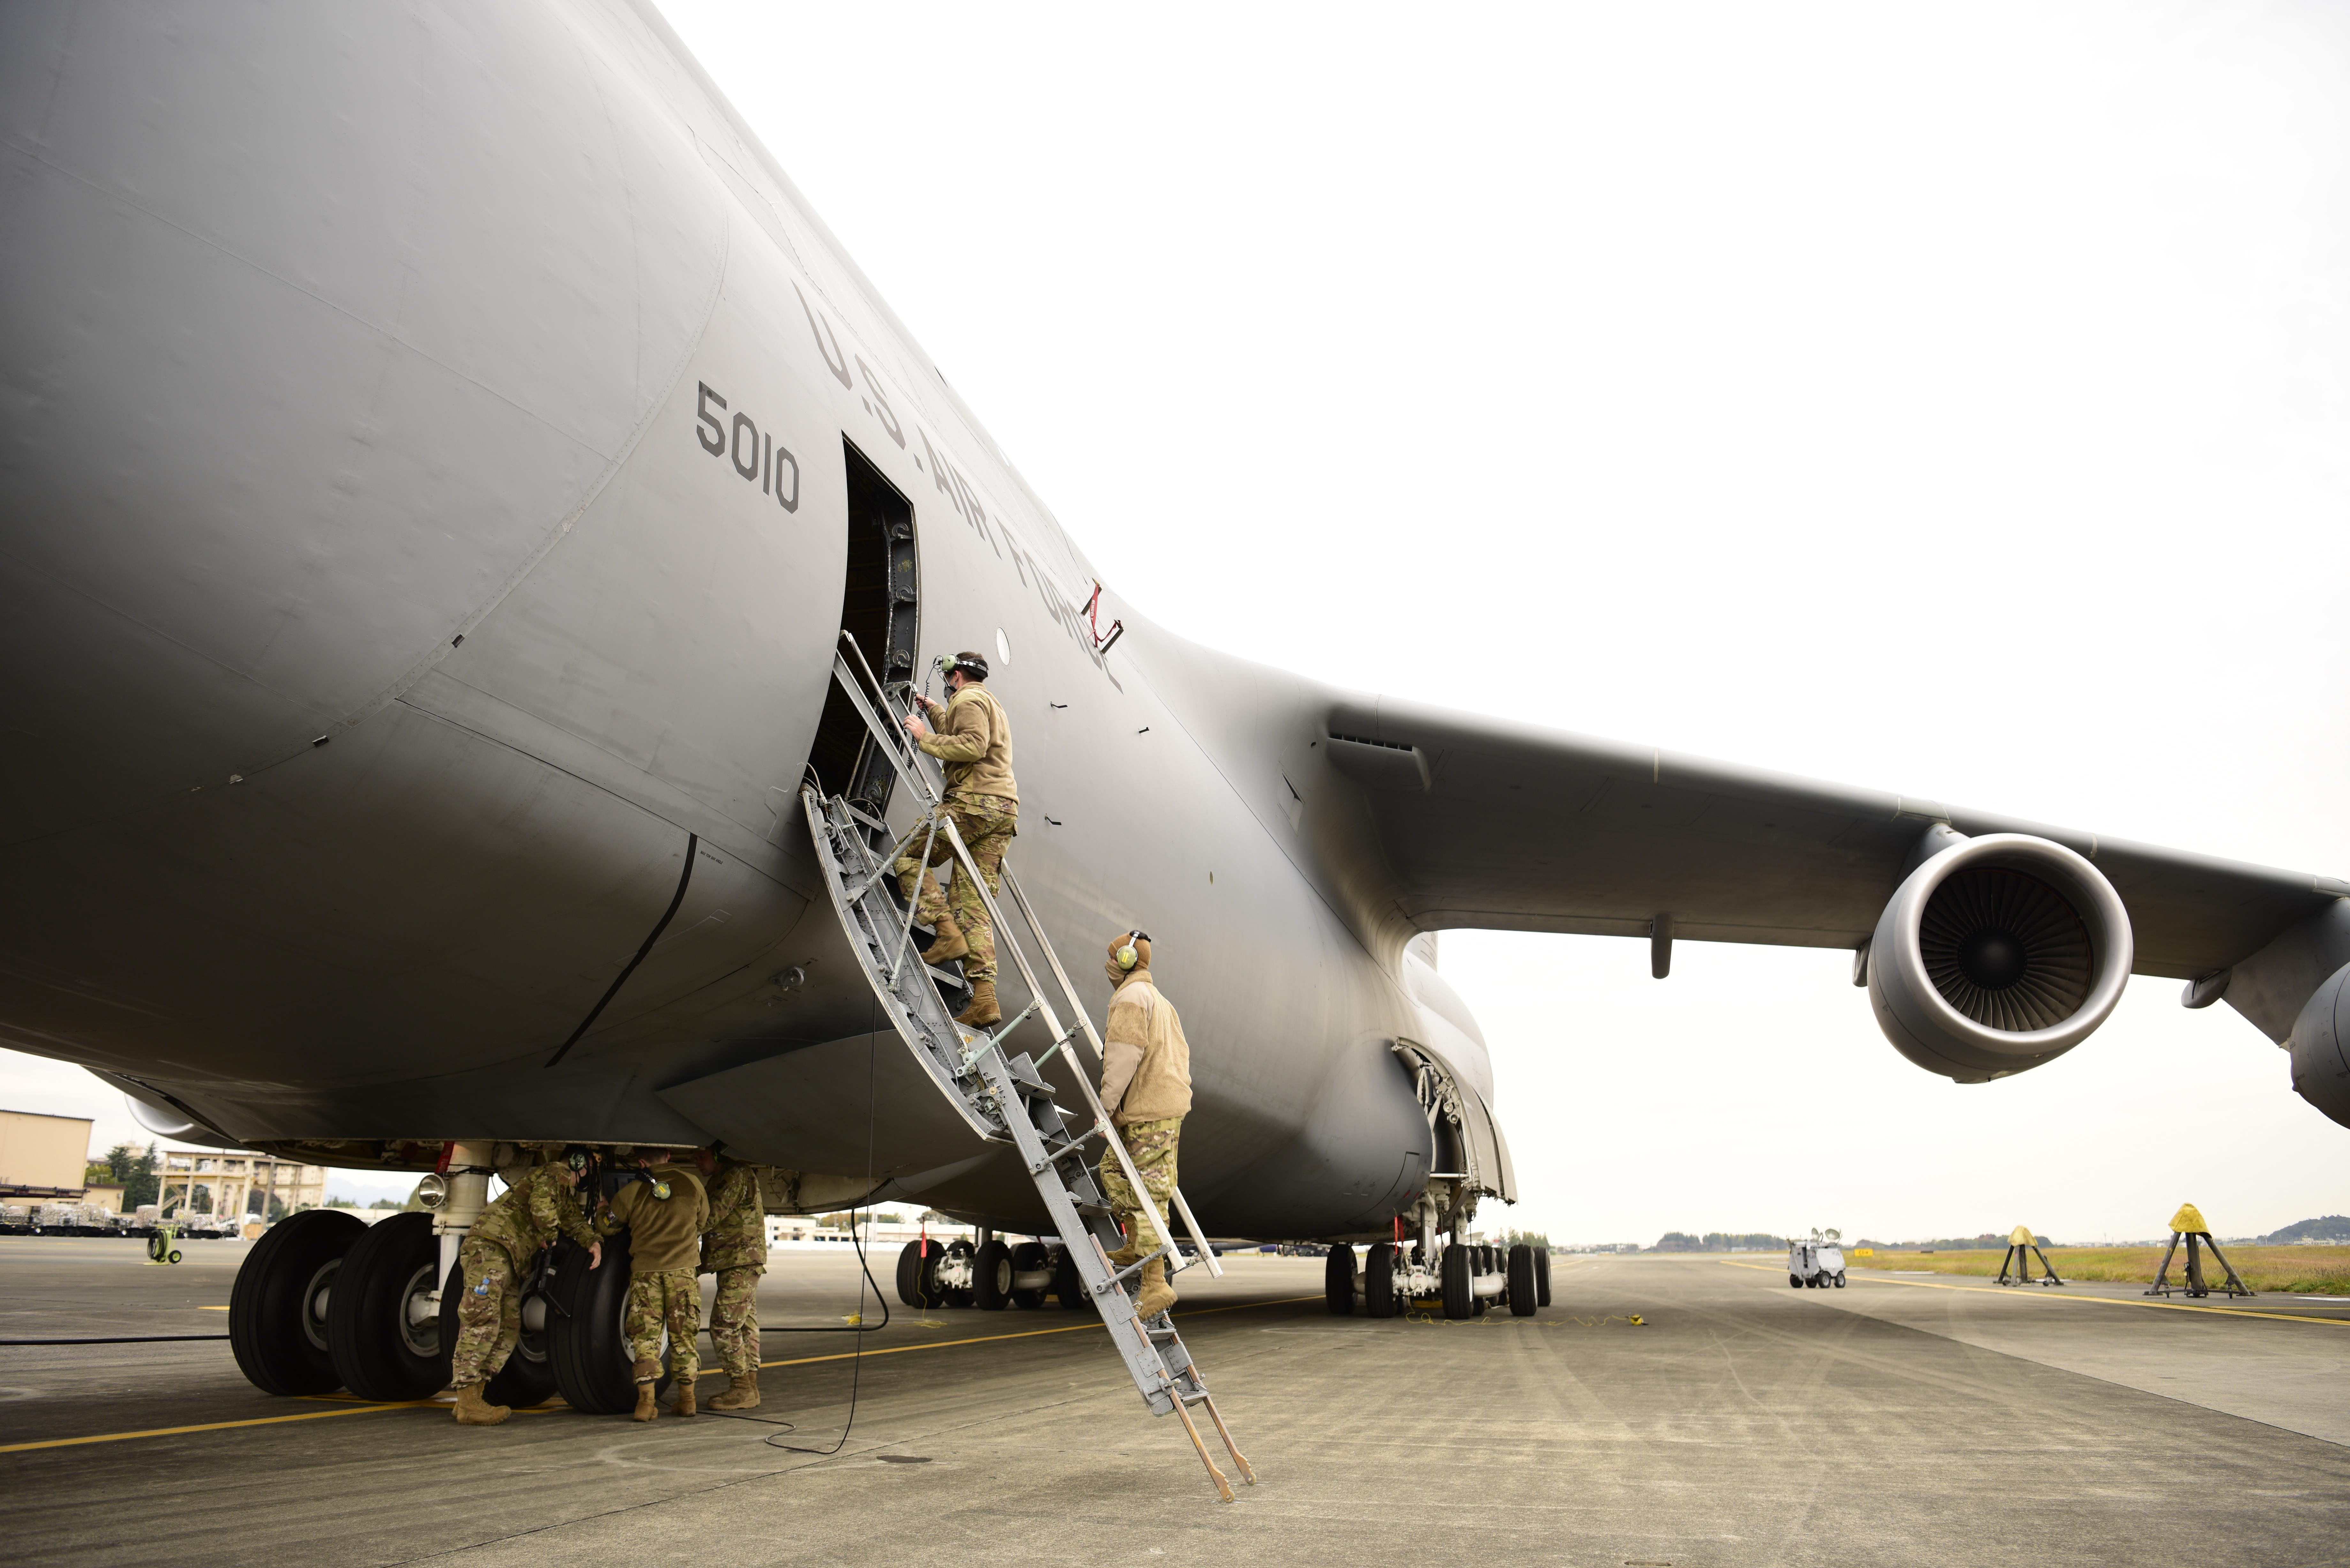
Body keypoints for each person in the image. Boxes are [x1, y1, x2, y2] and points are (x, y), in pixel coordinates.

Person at [899, 650, 1019, 1027]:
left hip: (973, 802)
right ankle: (984, 999)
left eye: (949, 676)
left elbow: (971, 745)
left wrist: (924, 738)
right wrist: (935, 710)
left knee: (906, 857)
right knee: (972, 903)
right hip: (1002, 811)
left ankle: (947, 933)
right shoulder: (988, 701)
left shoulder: (967, 699)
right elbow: (967, 729)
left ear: (957, 675)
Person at [449, 1148, 603, 1427]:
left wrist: (593, 1241)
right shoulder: (556, 1173)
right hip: (491, 1248)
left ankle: (471, 1400)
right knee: (482, 1320)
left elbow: (574, 1221)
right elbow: (541, 1206)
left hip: (508, 1257)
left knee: (508, 1325)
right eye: (592, 1165)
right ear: (579, 1163)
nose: (592, 1173)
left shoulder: (563, 1193)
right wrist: (549, 1235)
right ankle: (468, 1398)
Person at [1095, 931, 1192, 1320]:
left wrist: (1106, 1107)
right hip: (1158, 1108)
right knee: (1112, 1169)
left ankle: (1156, 1283)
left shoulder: (1131, 999)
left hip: (1150, 1112)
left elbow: (1121, 1057)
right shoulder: (1161, 1002)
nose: (1107, 964)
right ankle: (1137, 1242)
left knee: (1152, 1195)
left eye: (1112, 956)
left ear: (1125, 960)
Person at [604, 1153, 709, 1421]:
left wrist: (601, 1210)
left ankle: (646, 1404)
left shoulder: (632, 1192)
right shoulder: (693, 1183)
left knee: (645, 1338)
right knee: (683, 1336)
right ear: (669, 1156)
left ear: (642, 1163)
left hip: (646, 1275)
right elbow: (703, 1221)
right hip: (683, 1274)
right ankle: (687, 1401)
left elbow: (607, 1225)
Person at [695, 1147, 765, 1411]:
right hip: (736, 1260)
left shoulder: (735, 1174)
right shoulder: (722, 1177)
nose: (697, 1163)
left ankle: (741, 1387)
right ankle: (750, 1386)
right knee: (745, 1324)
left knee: (723, 1325)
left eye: (701, 1158)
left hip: (741, 1259)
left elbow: (711, 1216)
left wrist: (676, 1230)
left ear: (716, 1156)